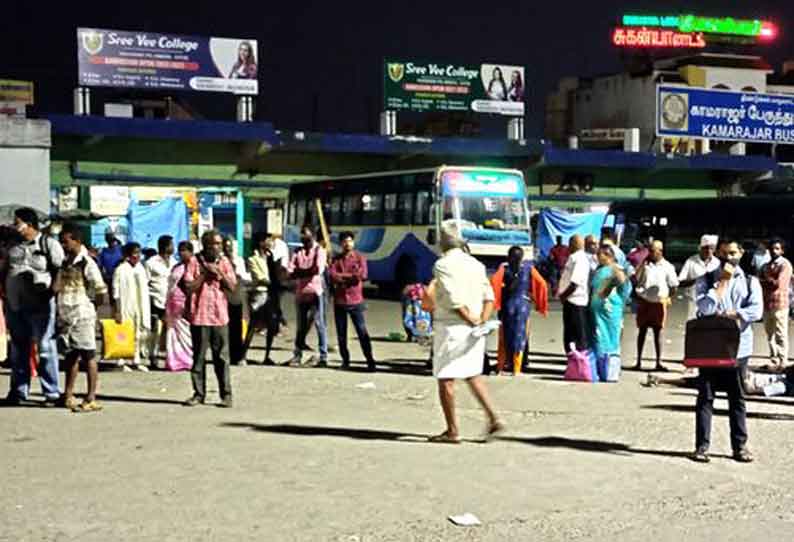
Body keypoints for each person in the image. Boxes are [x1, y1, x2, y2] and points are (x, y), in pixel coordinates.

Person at [424, 223, 503, 443]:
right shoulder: (476, 264)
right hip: (475, 329)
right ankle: (493, 417)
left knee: (446, 379)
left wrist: (470, 319)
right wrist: (481, 321)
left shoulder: (442, 265)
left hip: (451, 328)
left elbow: (453, 299)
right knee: (472, 375)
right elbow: (489, 297)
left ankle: (452, 430)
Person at [692, 240, 762, 463]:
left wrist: (735, 314)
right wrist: (721, 284)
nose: (728, 258)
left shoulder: (751, 281)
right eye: (723, 254)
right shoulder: (707, 279)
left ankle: (739, 446)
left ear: (740, 253)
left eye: (732, 253)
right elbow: (704, 308)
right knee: (706, 397)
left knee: (737, 398)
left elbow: (756, 310)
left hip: (739, 348)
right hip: (711, 346)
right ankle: (702, 446)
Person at [3, 207, 64, 406]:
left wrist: (50, 294)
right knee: (19, 349)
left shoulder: (49, 244)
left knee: (45, 347)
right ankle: (19, 391)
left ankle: (52, 392)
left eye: (18, 222)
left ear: (30, 224)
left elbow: (60, 271)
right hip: (15, 304)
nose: (15, 226)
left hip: (41, 306)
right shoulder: (11, 245)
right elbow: (3, 270)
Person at [55, 223, 108, 412]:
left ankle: (91, 397)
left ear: (76, 241)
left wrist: (92, 307)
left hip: (82, 314)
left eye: (66, 241)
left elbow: (100, 289)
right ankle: (68, 394)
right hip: (66, 315)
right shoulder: (65, 262)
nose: (63, 245)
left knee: (88, 356)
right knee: (70, 357)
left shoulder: (87, 262)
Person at [183, 230, 237, 408]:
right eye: (214, 244)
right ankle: (199, 393)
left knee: (222, 357)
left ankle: (226, 395)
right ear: (205, 245)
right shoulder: (194, 262)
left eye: (220, 244)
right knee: (198, 357)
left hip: (219, 317)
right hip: (199, 316)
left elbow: (232, 287)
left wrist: (219, 274)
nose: (218, 247)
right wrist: (205, 274)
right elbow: (188, 287)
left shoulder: (224, 262)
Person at [489, 246, 549, 374]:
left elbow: (493, 281)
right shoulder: (529, 269)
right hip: (523, 305)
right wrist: (538, 301)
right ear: (522, 257)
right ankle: (517, 369)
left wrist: (495, 300)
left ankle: (500, 367)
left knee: (504, 336)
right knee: (521, 336)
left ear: (508, 257)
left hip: (507, 306)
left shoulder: (503, 269)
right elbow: (542, 284)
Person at [329, 231, 376, 371]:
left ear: (353, 243)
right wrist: (349, 277)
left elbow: (362, 275)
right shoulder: (336, 260)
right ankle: (345, 361)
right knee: (341, 334)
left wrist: (343, 277)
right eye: (344, 241)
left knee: (362, 332)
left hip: (356, 300)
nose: (347, 243)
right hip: (340, 301)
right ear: (341, 243)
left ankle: (370, 360)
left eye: (349, 241)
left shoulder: (360, 258)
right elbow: (333, 275)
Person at [284, 226, 328, 367]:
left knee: (319, 324)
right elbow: (290, 273)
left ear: (313, 237)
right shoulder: (298, 251)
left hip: (316, 292)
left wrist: (300, 272)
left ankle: (323, 356)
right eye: (302, 237)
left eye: (306, 237)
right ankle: (297, 355)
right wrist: (304, 272)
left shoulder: (319, 251)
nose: (303, 239)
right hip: (301, 293)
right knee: (301, 326)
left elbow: (317, 270)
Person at [634, 240, 678, 371]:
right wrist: (642, 265)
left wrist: (668, 297)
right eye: (650, 250)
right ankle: (638, 361)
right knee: (642, 331)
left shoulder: (667, 267)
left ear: (661, 252)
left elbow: (674, 285)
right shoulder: (645, 265)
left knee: (658, 332)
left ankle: (658, 362)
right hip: (644, 301)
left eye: (654, 251)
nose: (651, 253)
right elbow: (636, 278)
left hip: (658, 303)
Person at [112, 242, 151, 371]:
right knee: (124, 332)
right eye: (135, 253)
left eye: (139, 253)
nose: (137, 256)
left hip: (139, 305)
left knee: (138, 332)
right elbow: (115, 291)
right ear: (128, 255)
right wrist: (117, 310)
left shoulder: (141, 268)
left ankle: (136, 359)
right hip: (125, 305)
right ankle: (122, 360)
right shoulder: (120, 269)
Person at [243, 232, 281, 365]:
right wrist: (278, 284)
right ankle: (243, 355)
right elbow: (259, 278)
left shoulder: (270, 257)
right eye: (268, 240)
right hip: (260, 294)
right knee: (253, 325)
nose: (270, 242)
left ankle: (267, 355)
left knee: (271, 325)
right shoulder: (253, 259)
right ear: (261, 243)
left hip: (270, 294)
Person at [589, 245, 632, 361]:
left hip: (609, 310)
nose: (597, 257)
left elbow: (625, 288)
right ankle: (601, 363)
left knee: (607, 335)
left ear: (608, 256)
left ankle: (608, 363)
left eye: (599, 255)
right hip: (599, 311)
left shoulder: (615, 270)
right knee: (598, 335)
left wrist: (612, 297)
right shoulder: (600, 270)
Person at [759, 238, 792, 371]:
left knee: (781, 334)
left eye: (777, 248)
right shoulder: (766, 265)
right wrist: (766, 281)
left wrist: (765, 280)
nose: (774, 251)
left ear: (782, 251)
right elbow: (759, 281)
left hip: (780, 304)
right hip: (767, 304)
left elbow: (778, 284)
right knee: (769, 334)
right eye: (772, 248)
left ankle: (783, 360)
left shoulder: (785, 265)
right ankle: (774, 358)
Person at [145, 235, 175, 369]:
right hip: (155, 300)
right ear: (165, 246)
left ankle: (170, 357)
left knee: (170, 330)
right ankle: (153, 356)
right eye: (171, 245)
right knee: (155, 331)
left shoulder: (174, 262)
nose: (173, 247)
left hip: (171, 301)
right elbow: (145, 282)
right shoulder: (151, 263)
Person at [164, 242, 194, 372]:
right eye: (180, 250)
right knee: (173, 334)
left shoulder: (194, 266)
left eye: (184, 250)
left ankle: (189, 359)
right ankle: (175, 361)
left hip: (186, 304)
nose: (182, 253)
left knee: (187, 333)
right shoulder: (177, 266)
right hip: (173, 305)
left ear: (190, 251)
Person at [558, 235, 590, 354]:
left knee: (576, 335)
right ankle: (573, 362)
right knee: (570, 334)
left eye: (570, 244)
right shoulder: (574, 257)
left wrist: (563, 295)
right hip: (571, 301)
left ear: (574, 244)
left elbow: (575, 283)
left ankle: (579, 364)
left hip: (576, 302)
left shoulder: (579, 259)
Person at [677, 235, 719, 320]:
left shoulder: (717, 263)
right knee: (694, 328)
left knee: (711, 329)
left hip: (712, 302)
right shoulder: (691, 261)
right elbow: (680, 282)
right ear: (700, 248)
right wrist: (697, 280)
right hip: (694, 303)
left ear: (714, 250)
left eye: (711, 248)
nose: (708, 251)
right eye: (706, 248)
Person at [223, 236, 250, 366]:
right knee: (224, 329)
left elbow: (244, 275)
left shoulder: (239, 260)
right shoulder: (221, 261)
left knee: (237, 327)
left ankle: (238, 356)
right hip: (224, 297)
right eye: (226, 246)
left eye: (231, 246)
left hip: (236, 296)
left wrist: (240, 276)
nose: (229, 248)